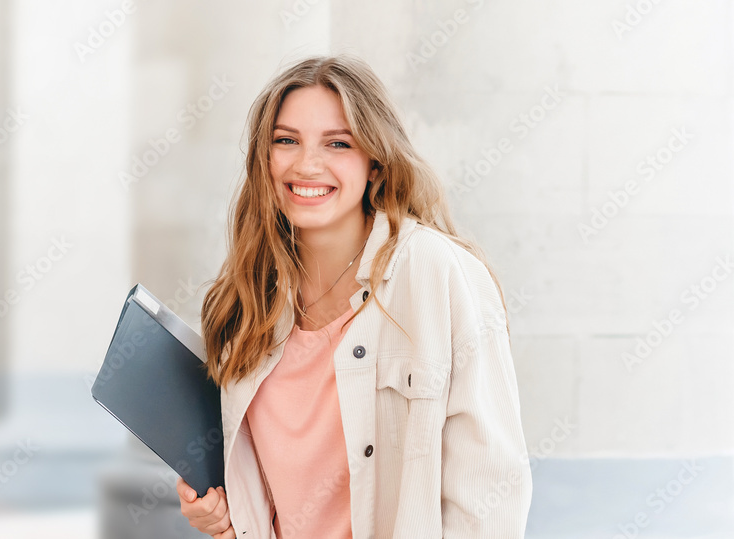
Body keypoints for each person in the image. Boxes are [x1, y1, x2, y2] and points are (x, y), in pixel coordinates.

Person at [176, 53, 532, 538]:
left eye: (337, 143)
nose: (307, 163)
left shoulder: (436, 272)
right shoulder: (249, 299)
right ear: (264, 159)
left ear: (376, 165)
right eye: (286, 140)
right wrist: (219, 516)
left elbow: (491, 493)